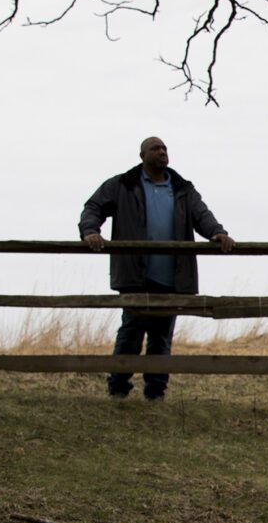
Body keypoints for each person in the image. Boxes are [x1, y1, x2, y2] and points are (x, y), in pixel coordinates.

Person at [78, 136, 235, 401]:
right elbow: (93, 207)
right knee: (131, 331)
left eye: (164, 148)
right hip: (135, 275)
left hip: (172, 276)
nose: (162, 152)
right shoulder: (123, 184)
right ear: (142, 156)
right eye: (155, 148)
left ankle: (155, 392)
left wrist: (217, 233)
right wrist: (90, 231)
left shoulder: (182, 188)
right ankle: (118, 387)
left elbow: (202, 215)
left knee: (161, 337)